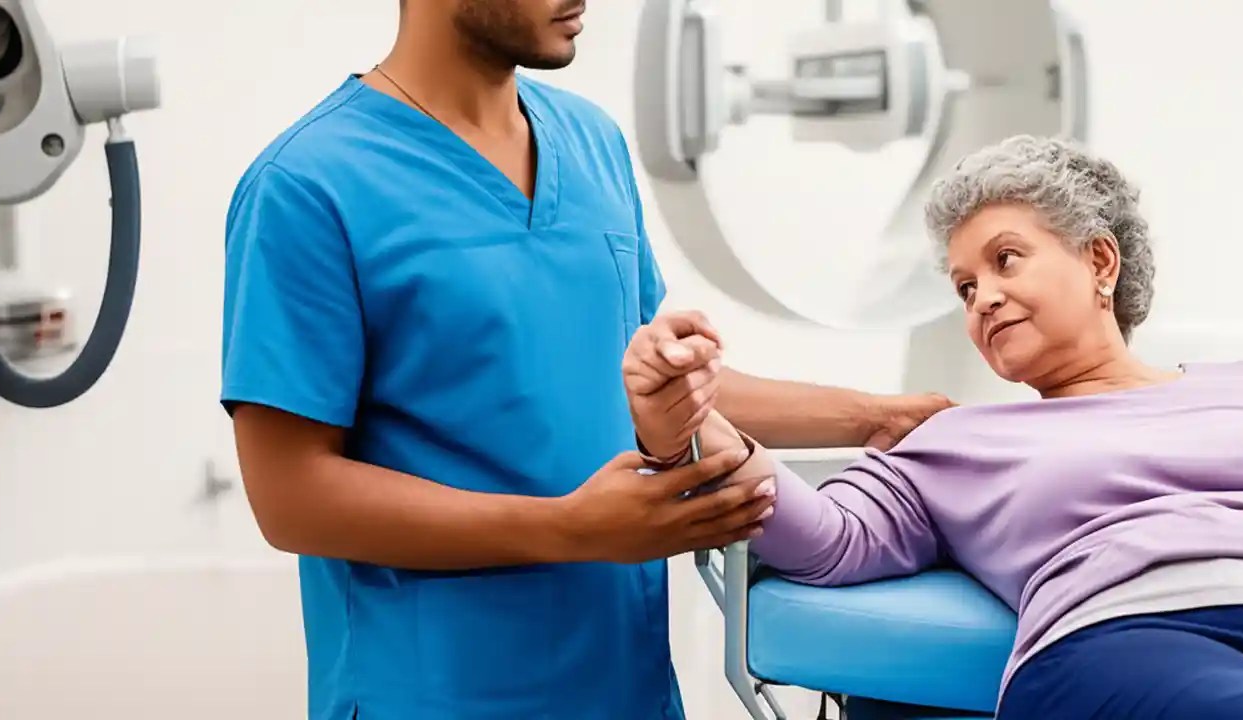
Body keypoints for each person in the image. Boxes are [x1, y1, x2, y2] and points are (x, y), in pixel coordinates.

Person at [219, 2, 951, 719]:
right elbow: (290, 497)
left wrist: (874, 417)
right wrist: (571, 528)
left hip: (624, 687)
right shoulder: (307, 184)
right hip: (432, 693)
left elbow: (638, 385)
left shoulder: (590, 140)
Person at [626, 134, 1243, 719]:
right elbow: (828, 539)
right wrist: (687, 414)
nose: (983, 298)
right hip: (1137, 632)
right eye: (965, 288)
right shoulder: (955, 441)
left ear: (1099, 260)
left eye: (1006, 260)